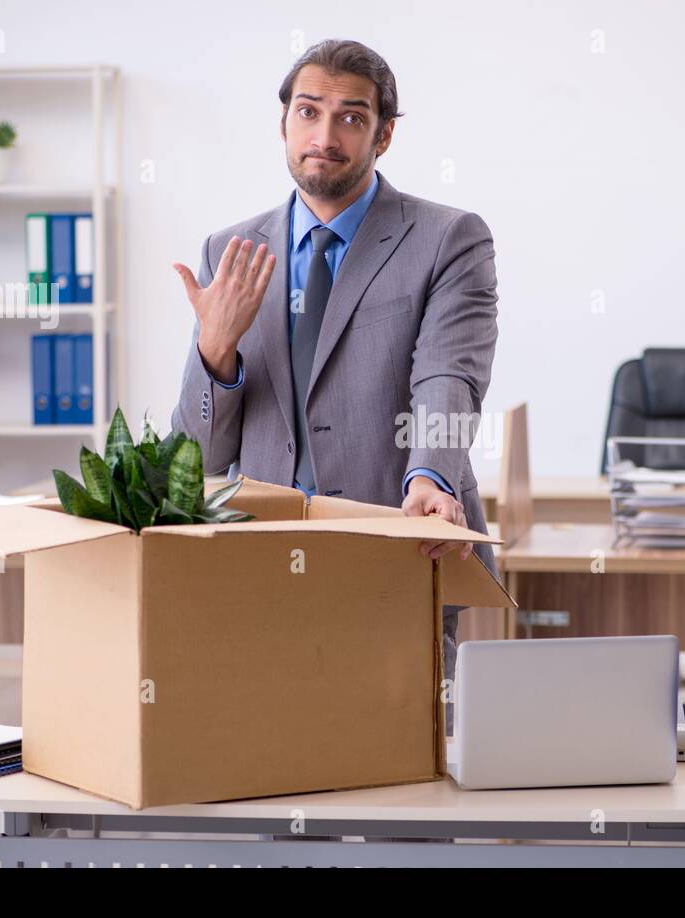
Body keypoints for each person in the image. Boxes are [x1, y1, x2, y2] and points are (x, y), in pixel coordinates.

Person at [170, 39, 499, 732]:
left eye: (351, 117)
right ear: (283, 123)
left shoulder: (446, 238)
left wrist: (433, 476)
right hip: (258, 569)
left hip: (395, 555)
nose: (325, 136)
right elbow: (195, 458)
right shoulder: (229, 252)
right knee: (266, 773)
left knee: (402, 785)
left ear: (384, 133)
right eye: (308, 112)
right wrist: (214, 349)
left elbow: (448, 372)